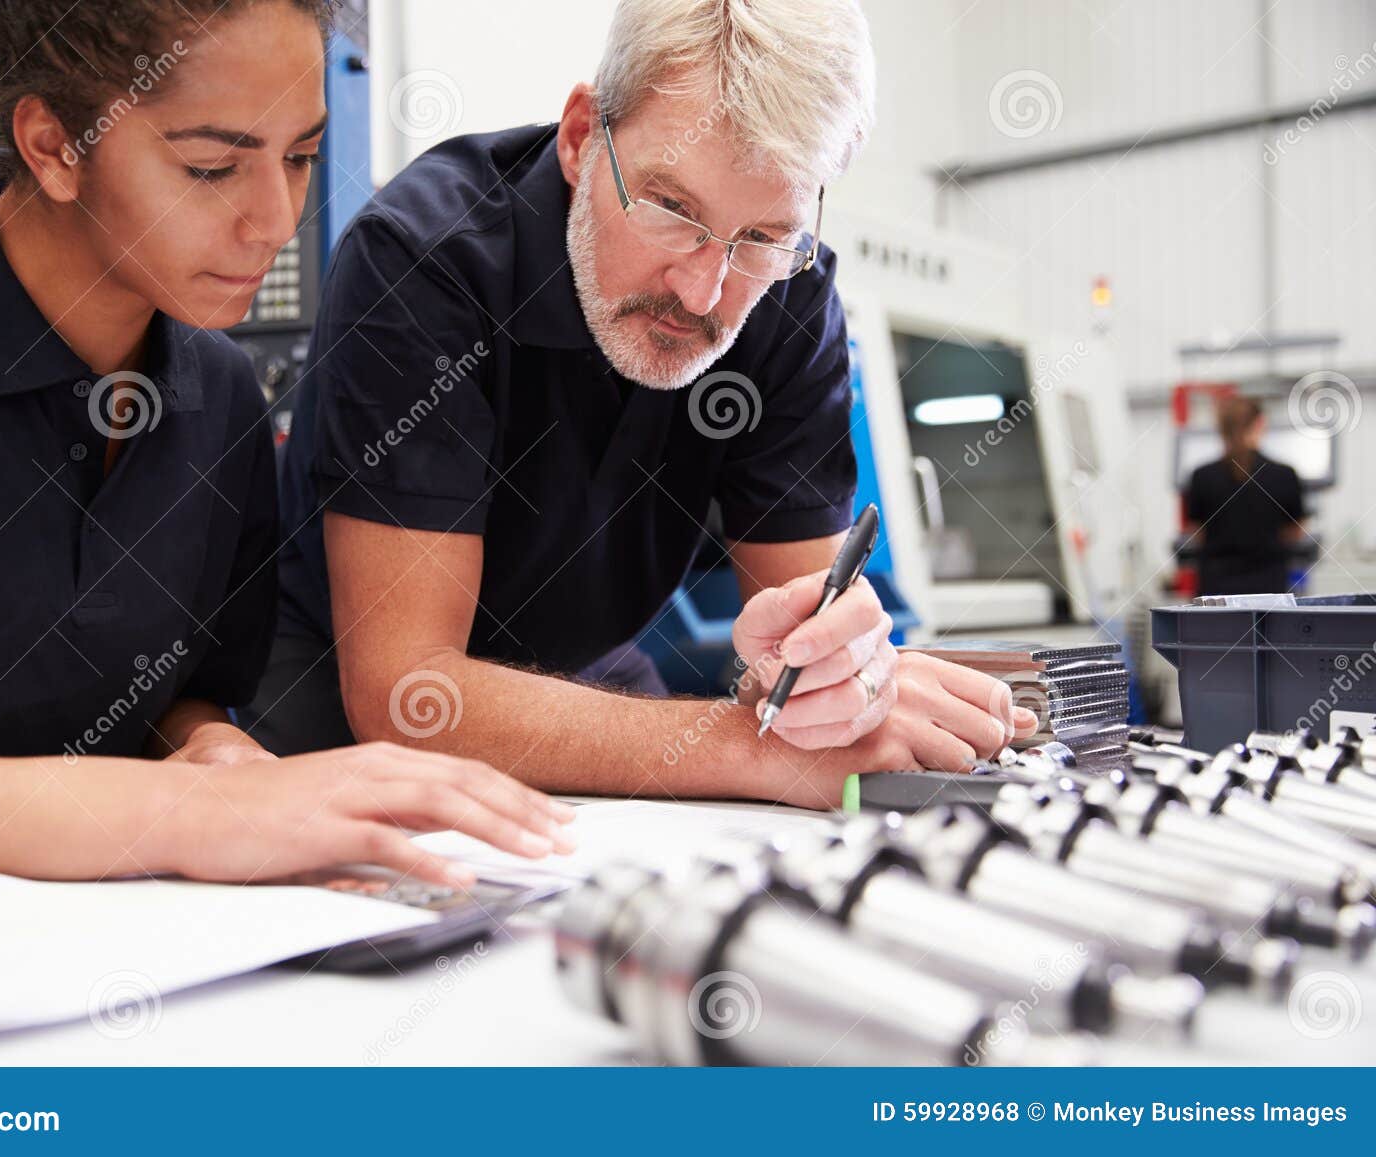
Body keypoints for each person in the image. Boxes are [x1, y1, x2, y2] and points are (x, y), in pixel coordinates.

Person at [0, 0, 572, 885]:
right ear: (53, 145)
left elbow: (176, 698)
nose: (276, 220)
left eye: (300, 157)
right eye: (210, 167)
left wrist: (213, 752)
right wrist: (174, 814)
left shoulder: (219, 397)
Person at [246, 0, 1037, 808]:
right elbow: (409, 693)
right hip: (336, 697)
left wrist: (844, 682)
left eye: (763, 237)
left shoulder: (788, 297)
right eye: (673, 209)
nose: (703, 292)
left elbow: (806, 649)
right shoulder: (427, 261)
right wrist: (754, 750)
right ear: (580, 138)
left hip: (584, 672)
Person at [1186, 397, 1306, 597]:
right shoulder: (1284, 474)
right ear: (1260, 423)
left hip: (1216, 590)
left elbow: (1196, 533)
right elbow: (1296, 532)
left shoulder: (1202, 476)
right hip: (1269, 589)